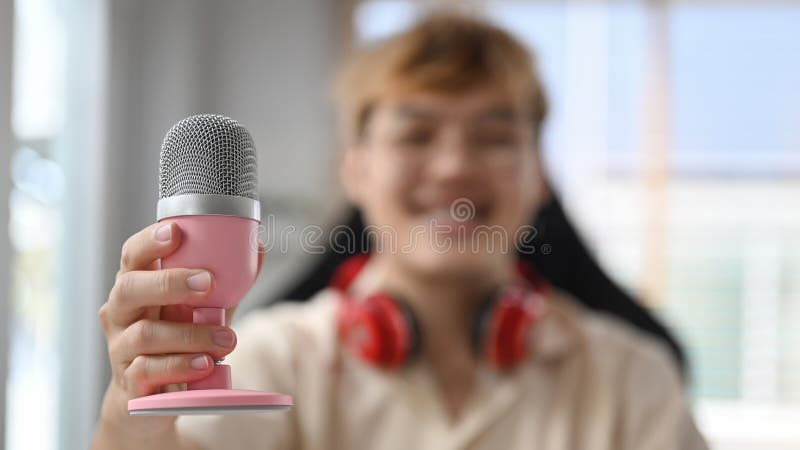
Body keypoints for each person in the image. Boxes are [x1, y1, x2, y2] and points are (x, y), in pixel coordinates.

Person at [92, 13, 707, 450]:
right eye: (416, 135)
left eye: (493, 138)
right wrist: (136, 411)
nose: (453, 167)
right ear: (354, 170)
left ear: (540, 176)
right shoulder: (273, 357)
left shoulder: (633, 379)